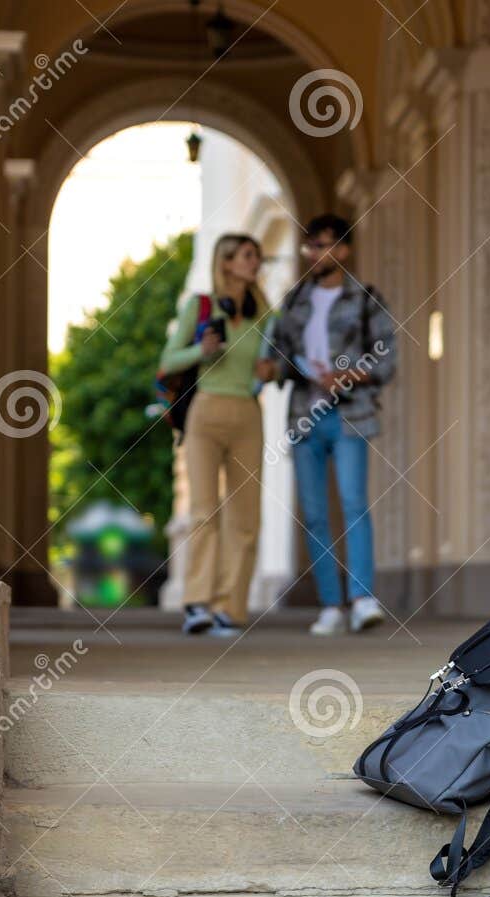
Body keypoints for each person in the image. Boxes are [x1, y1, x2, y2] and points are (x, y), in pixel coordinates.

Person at [260, 213, 397, 636]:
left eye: (325, 245)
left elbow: (386, 357)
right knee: (315, 513)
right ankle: (330, 605)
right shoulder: (294, 300)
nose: (318, 253)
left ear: (344, 249)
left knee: (354, 503)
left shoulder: (365, 299)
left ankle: (361, 599)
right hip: (305, 414)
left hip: (350, 414)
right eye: (312, 246)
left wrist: (350, 373)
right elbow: (276, 353)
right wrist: (281, 368)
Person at [158, 233, 275, 637]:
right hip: (206, 410)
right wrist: (200, 351)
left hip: (247, 412)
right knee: (203, 510)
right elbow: (167, 360)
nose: (254, 263)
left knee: (245, 515)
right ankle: (197, 603)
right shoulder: (201, 306)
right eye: (247, 256)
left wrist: (270, 371)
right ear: (226, 262)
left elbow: (271, 361)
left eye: (257, 256)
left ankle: (231, 607)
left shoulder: (263, 312)